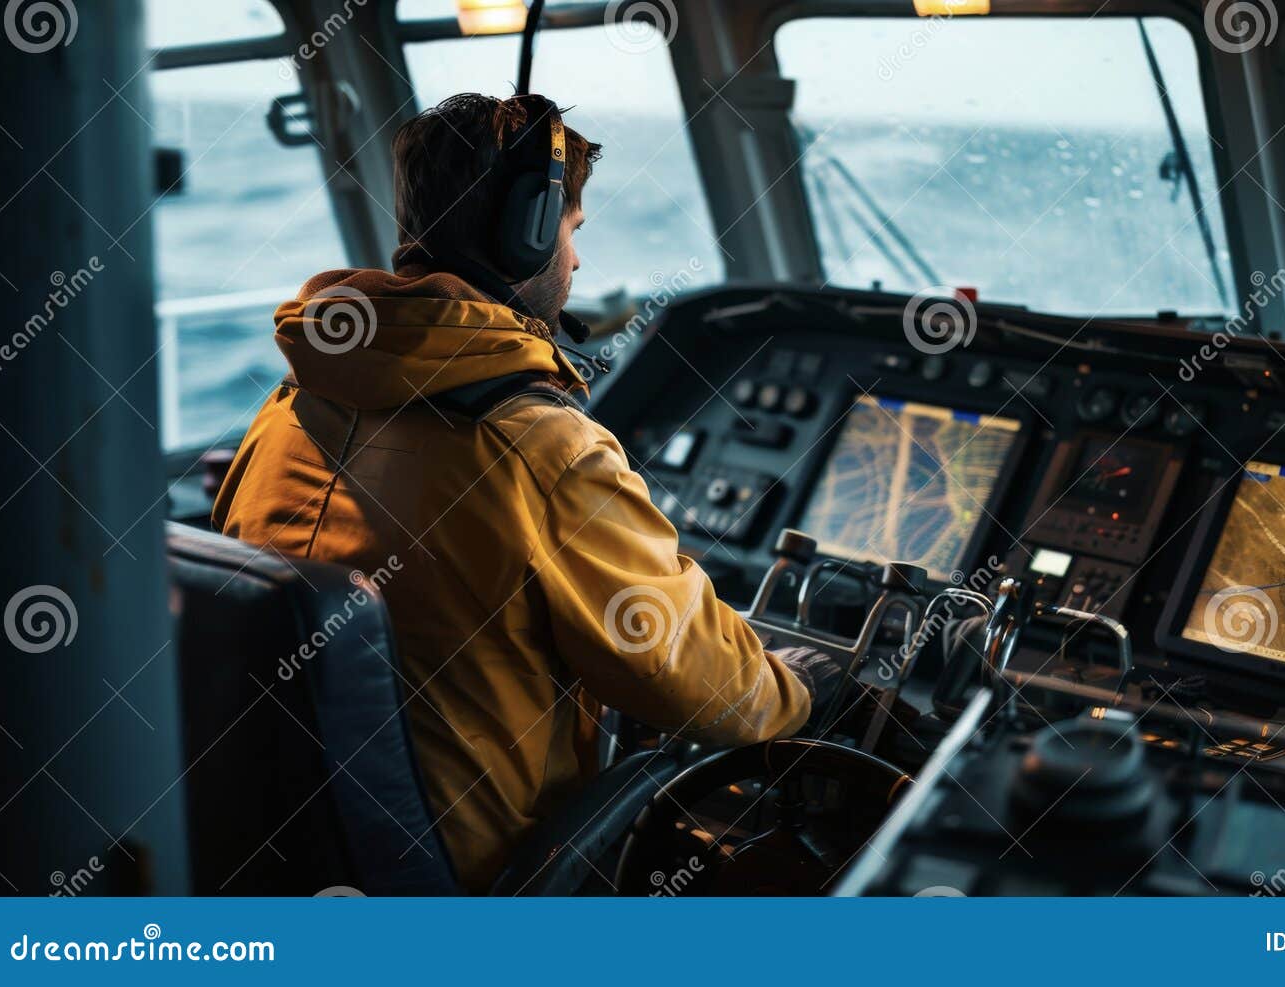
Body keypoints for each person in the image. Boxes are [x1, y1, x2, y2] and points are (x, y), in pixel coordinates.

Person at [213, 93, 842, 892]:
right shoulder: (541, 445)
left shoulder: (290, 407)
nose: (576, 262)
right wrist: (798, 688)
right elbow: (695, 685)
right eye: (573, 231)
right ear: (529, 233)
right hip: (483, 871)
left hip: (288, 847)